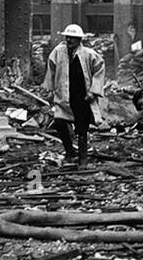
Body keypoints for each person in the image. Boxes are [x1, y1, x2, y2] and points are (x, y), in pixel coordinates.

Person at [41, 24, 106, 166]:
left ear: (79, 39)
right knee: (59, 122)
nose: (69, 40)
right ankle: (69, 152)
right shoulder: (58, 52)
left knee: (82, 128)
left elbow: (99, 69)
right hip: (64, 94)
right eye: (68, 37)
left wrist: (94, 91)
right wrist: (49, 89)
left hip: (82, 96)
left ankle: (83, 158)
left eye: (73, 38)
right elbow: (51, 69)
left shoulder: (88, 54)